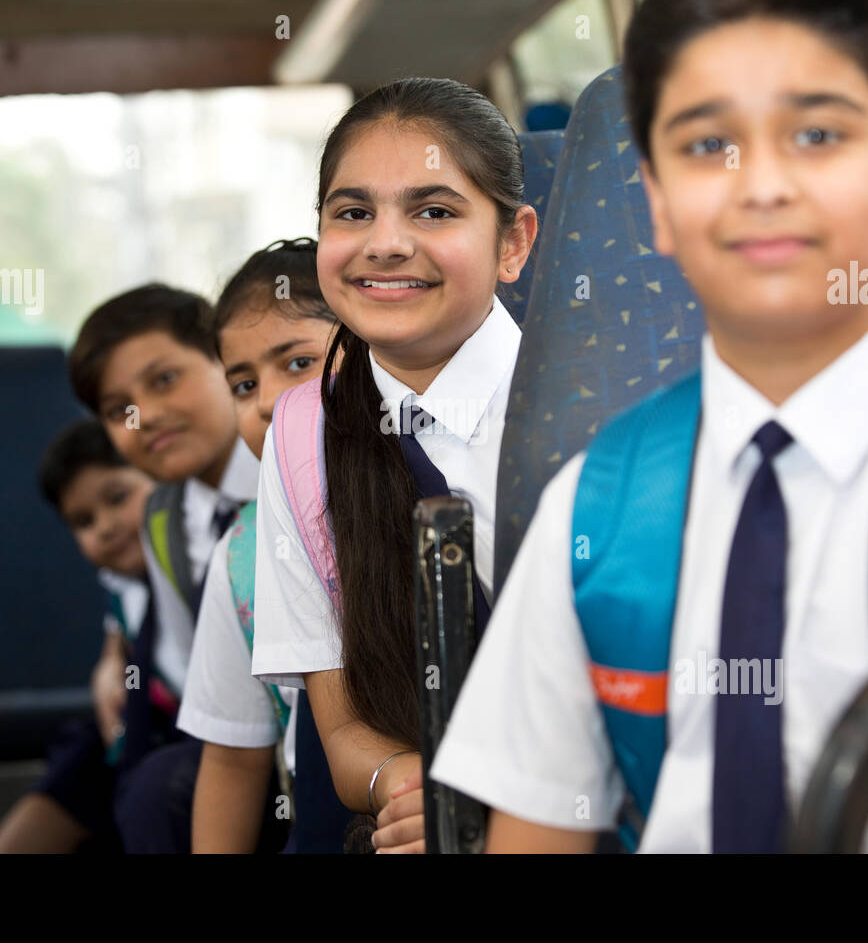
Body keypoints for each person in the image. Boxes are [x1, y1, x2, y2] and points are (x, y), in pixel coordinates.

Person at [431, 0, 868, 853]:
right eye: (710, 145)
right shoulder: (592, 508)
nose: (764, 185)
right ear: (659, 203)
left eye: (819, 134)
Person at [250, 78, 538, 853]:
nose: (384, 243)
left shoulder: (588, 404)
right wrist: (403, 785)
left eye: (434, 211)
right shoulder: (303, 432)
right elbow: (341, 727)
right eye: (353, 213)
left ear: (512, 244)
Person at [69, 282, 260, 852]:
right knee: (152, 785)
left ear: (223, 362)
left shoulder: (295, 473)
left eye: (164, 380)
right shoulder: (160, 520)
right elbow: (192, 671)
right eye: (116, 409)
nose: (145, 415)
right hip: (239, 747)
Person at [179, 237, 339, 853]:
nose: (267, 403)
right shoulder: (242, 557)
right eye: (243, 385)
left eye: (298, 363)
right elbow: (233, 762)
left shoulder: (445, 506)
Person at [0, 419, 154, 853]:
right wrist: (111, 661)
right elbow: (121, 622)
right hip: (125, 739)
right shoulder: (126, 583)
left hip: (176, 743)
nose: (106, 527)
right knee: (81, 761)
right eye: (83, 521)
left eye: (118, 498)